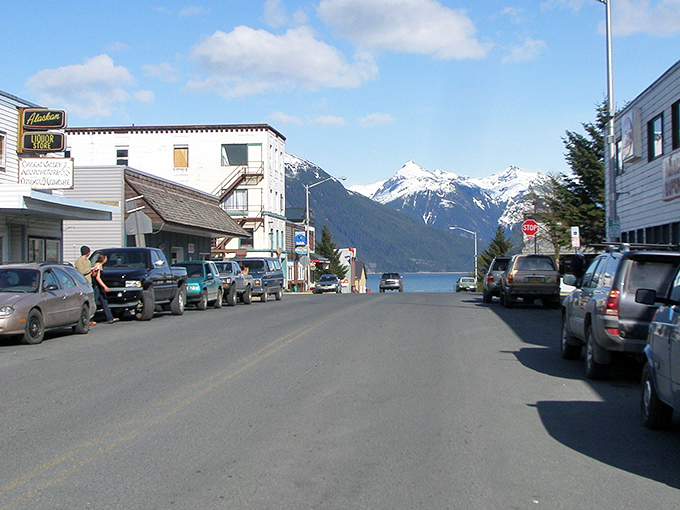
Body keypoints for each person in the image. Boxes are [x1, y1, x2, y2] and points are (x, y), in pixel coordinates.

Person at [92, 253, 118, 324]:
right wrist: (105, 286)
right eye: (106, 258)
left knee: (104, 302)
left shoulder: (100, 265)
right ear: (103, 259)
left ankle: (110, 318)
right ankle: (89, 318)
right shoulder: (98, 265)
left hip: (99, 287)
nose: (106, 259)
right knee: (94, 303)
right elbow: (97, 277)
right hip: (97, 287)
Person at [75, 246, 97, 325]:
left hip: (89, 283)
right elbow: (81, 271)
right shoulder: (79, 261)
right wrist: (90, 269)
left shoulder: (88, 261)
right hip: (83, 283)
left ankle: (90, 318)